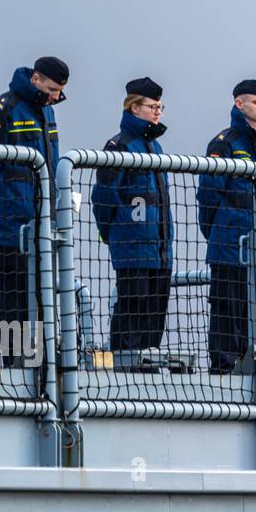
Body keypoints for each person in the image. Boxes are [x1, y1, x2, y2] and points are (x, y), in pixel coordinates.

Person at [0, 56, 69, 367]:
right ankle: (15, 363)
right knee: (14, 297)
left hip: (43, 223)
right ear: (36, 78)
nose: (56, 95)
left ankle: (38, 362)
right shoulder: (5, 109)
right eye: (53, 88)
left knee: (43, 296)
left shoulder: (47, 111)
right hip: (11, 224)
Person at [197, 79, 256, 375]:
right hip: (229, 244)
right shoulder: (223, 143)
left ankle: (251, 367)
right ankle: (223, 368)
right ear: (239, 104)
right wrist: (219, 234)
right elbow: (208, 196)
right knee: (227, 309)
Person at [92, 77, 173, 365]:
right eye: (152, 106)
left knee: (155, 314)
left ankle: (146, 370)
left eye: (160, 107)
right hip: (133, 248)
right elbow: (103, 198)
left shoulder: (156, 148)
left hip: (160, 251)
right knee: (132, 310)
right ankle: (125, 371)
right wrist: (114, 235)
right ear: (134, 107)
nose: (158, 112)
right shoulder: (119, 147)